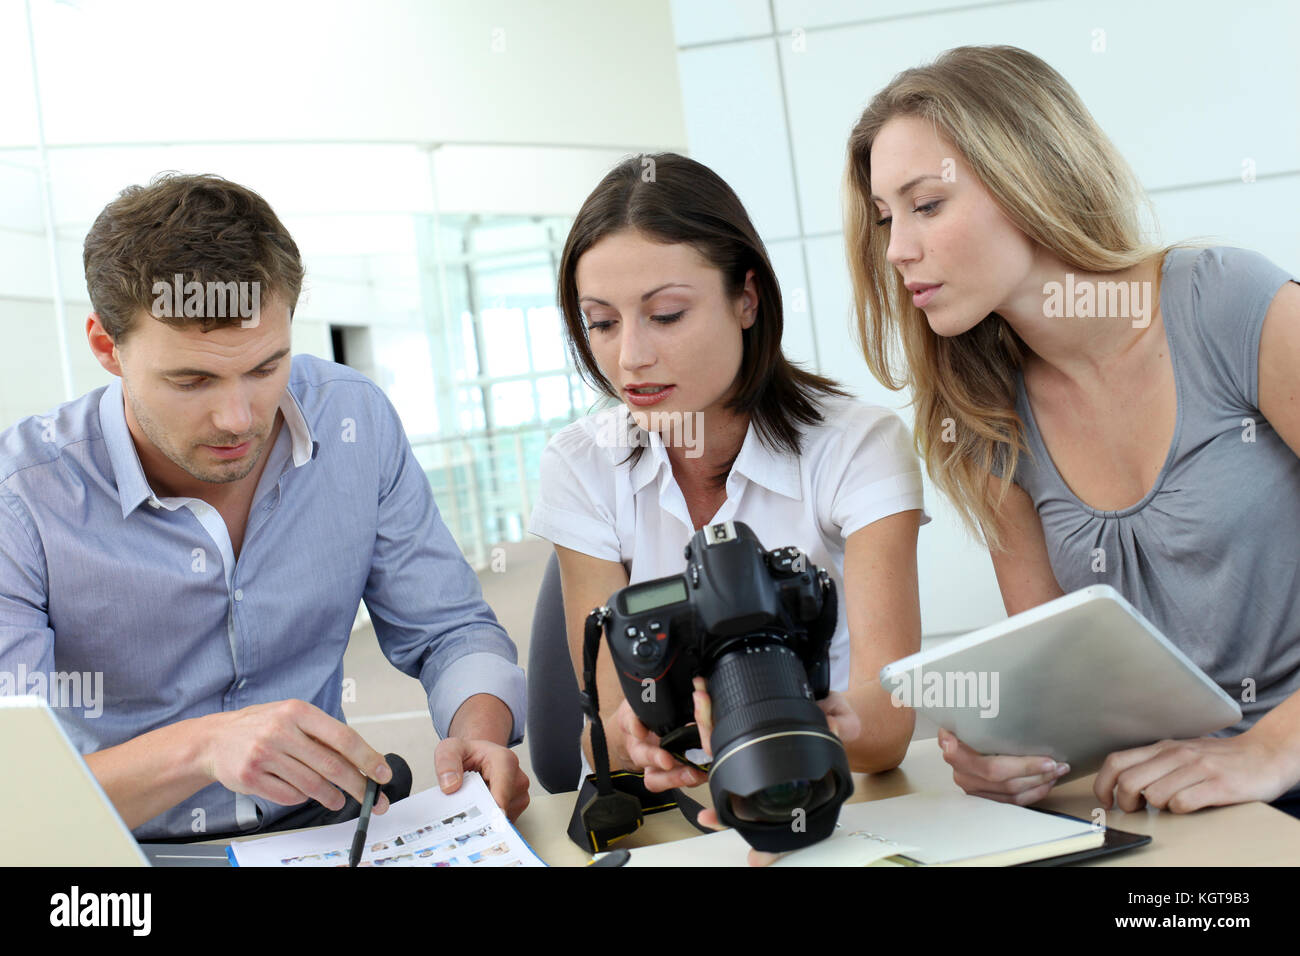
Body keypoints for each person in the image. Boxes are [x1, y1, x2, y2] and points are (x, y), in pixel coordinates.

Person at [0, 173, 529, 841]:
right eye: (192, 380)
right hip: (120, 846)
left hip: (328, 834)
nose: (238, 417)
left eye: (264, 367)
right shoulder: (20, 498)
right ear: (108, 348)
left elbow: (450, 629)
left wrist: (479, 732)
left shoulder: (352, 419)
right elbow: (12, 788)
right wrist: (201, 748)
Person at [844, 45, 1300, 817]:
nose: (897, 251)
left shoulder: (1230, 305)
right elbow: (1074, 686)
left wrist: (1269, 748)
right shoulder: (985, 419)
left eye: (926, 206)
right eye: (886, 219)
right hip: (1181, 803)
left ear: (1029, 178)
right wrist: (1018, 755)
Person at [527, 152, 928, 809]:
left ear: (746, 298)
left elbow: (885, 727)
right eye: (601, 323)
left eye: (666, 315)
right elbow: (605, 725)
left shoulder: (858, 447)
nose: (630, 356)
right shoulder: (580, 464)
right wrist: (636, 742)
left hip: (838, 804)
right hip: (677, 822)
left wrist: (783, 724)